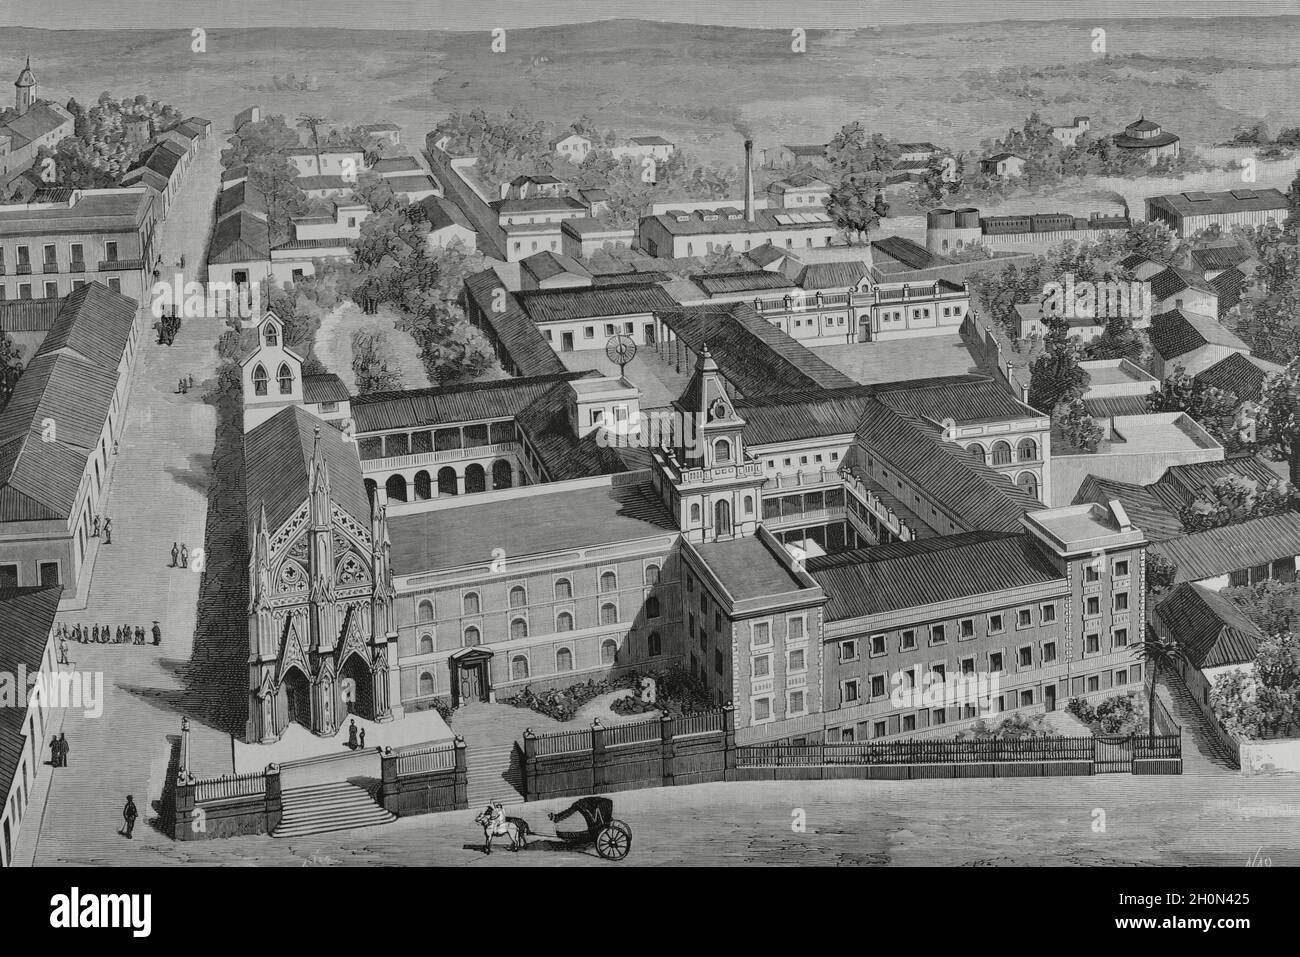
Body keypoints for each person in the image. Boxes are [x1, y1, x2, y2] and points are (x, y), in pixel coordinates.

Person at [548, 795, 616, 843]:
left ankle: (557, 817)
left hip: (587, 804)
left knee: (573, 810)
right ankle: (557, 817)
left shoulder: (603, 804)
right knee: (574, 810)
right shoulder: (603, 804)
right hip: (586, 804)